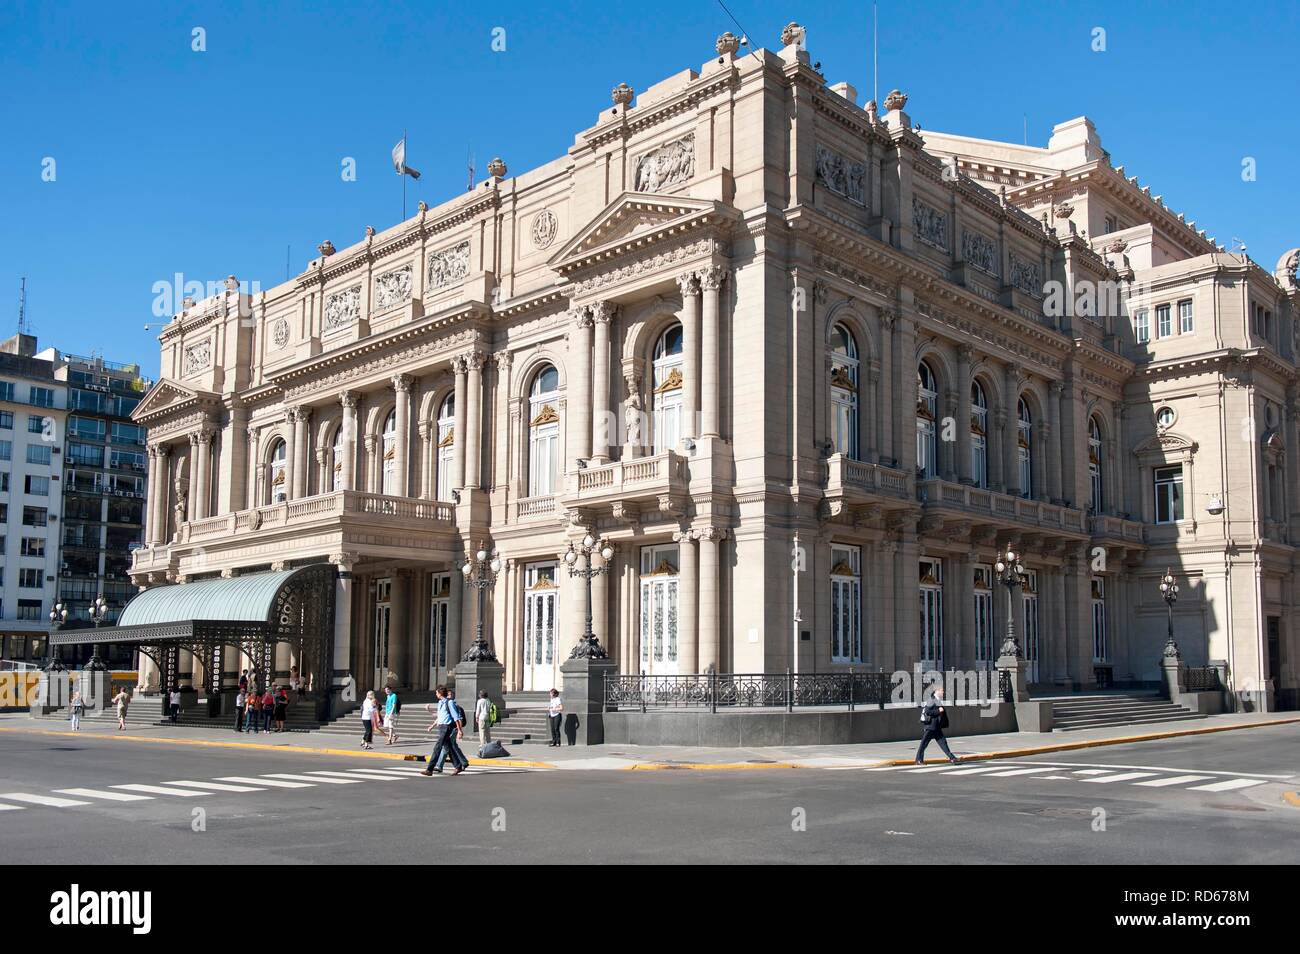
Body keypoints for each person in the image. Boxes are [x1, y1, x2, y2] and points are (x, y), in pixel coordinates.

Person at [420, 687, 467, 775]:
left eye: (437, 693)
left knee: (437, 747)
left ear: (440, 693)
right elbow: (440, 715)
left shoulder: (449, 702)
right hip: (441, 727)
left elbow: (456, 717)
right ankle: (458, 766)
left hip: (446, 727)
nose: (436, 694)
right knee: (449, 747)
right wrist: (429, 711)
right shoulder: (440, 702)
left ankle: (430, 769)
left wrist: (459, 730)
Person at [915, 685, 959, 765]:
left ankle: (952, 758)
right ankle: (918, 760)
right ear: (937, 691)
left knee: (943, 743)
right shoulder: (932, 700)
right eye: (942, 690)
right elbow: (928, 711)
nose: (943, 692)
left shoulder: (937, 700)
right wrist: (938, 711)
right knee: (924, 744)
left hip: (936, 727)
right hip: (931, 727)